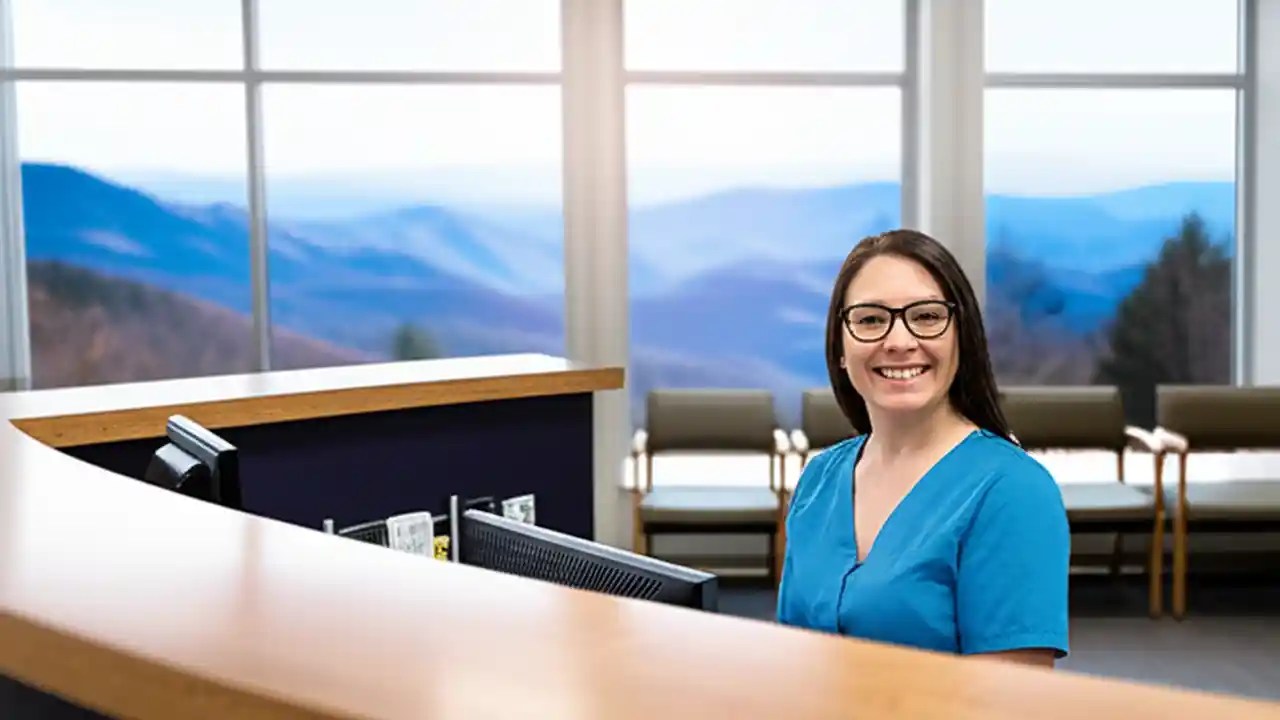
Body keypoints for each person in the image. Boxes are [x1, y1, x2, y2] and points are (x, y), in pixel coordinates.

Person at [775, 229, 1069, 667]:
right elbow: (792, 662)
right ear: (840, 346)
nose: (898, 341)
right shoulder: (818, 481)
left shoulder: (1013, 492)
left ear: (961, 338)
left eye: (927, 317)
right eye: (871, 319)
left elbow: (1011, 704)